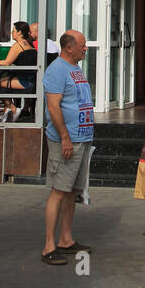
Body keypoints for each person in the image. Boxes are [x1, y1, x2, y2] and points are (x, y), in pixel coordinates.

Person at [41, 30, 95, 266]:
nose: (86, 49)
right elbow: (53, 107)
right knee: (59, 190)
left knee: (72, 190)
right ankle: (49, 246)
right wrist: (64, 137)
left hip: (81, 139)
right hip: (66, 141)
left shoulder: (75, 68)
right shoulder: (57, 70)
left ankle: (65, 239)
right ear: (69, 47)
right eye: (82, 45)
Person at [0, 21, 37, 120]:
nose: (11, 33)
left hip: (25, 82)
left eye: (13, 30)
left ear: (19, 32)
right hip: (32, 80)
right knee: (1, 78)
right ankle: (9, 109)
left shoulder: (18, 45)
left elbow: (7, 62)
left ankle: (13, 108)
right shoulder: (28, 43)